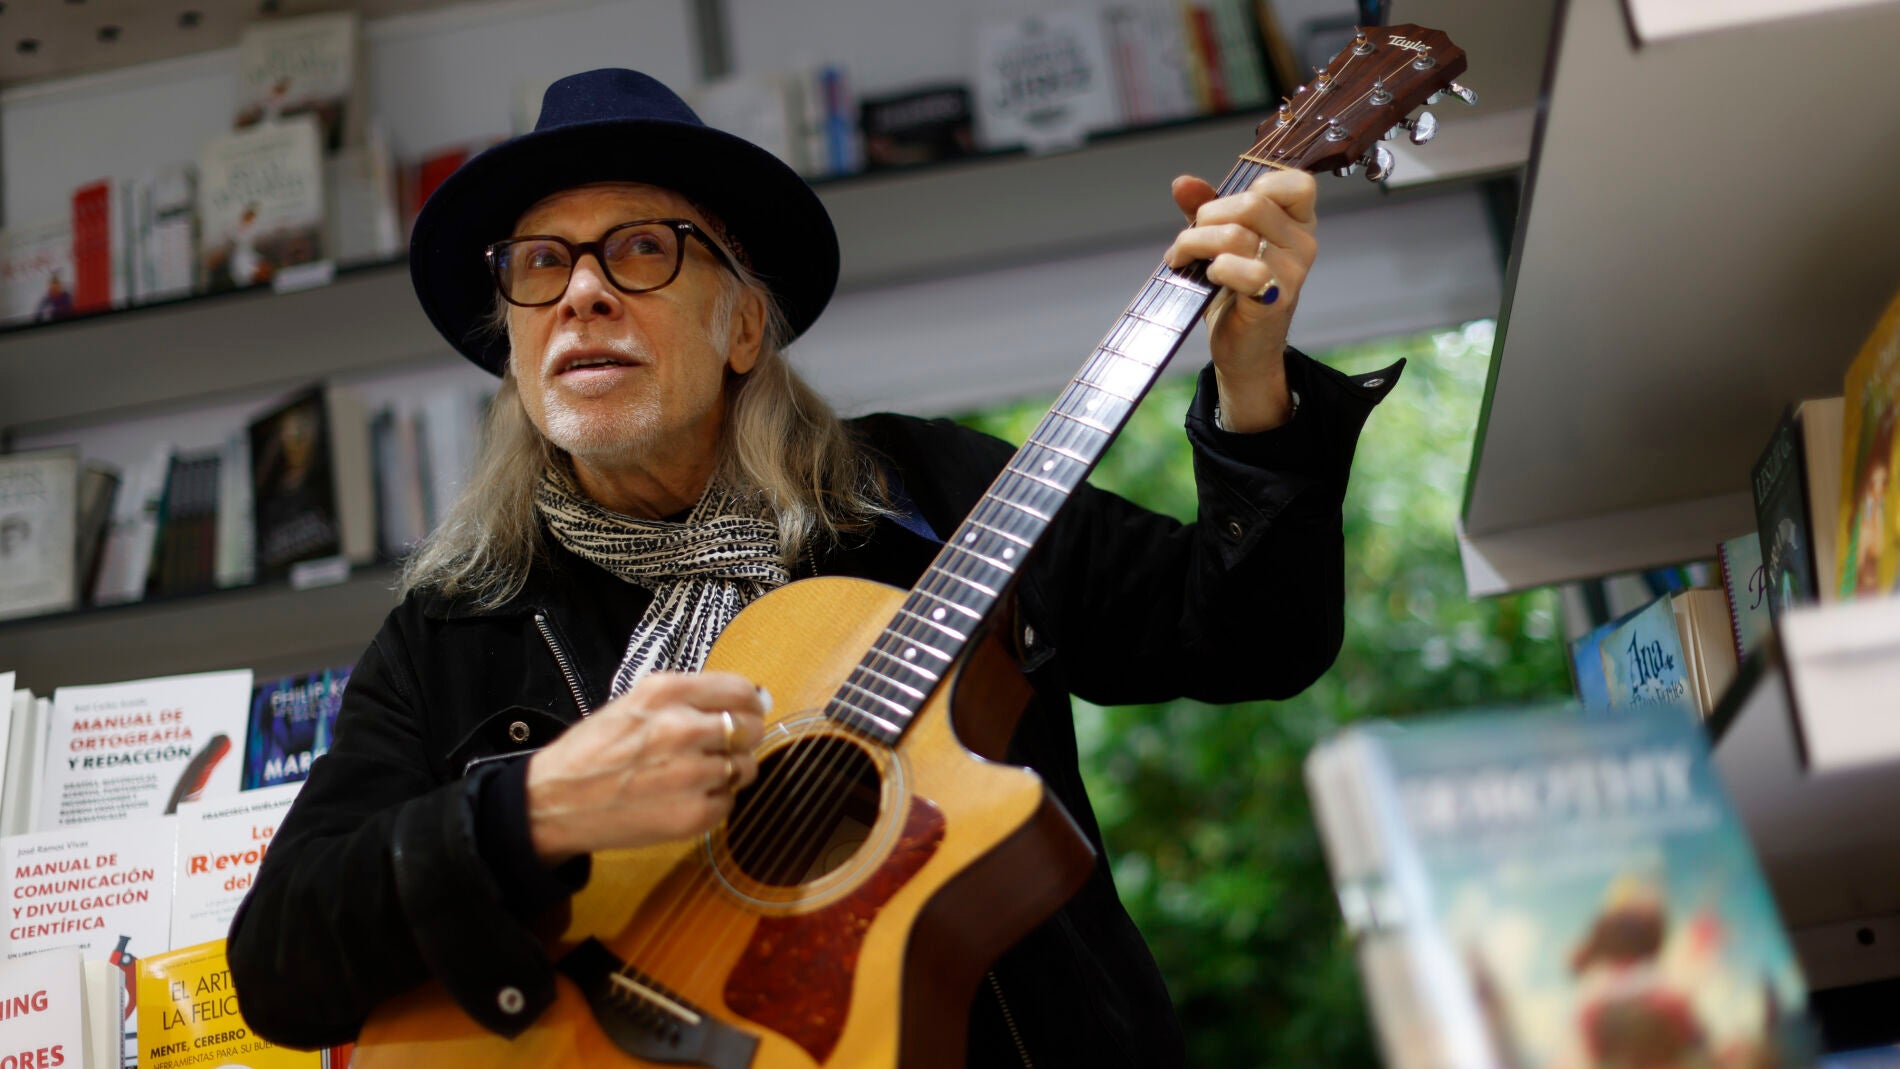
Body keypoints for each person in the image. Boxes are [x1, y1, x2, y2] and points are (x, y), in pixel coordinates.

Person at [226, 68, 1400, 1067]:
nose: (581, 290)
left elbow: (1255, 640)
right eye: (539, 264)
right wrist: (535, 808)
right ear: (520, 346)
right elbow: (278, 965)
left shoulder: (935, 493)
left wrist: (1252, 384)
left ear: (744, 327)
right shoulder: (452, 630)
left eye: (641, 249)